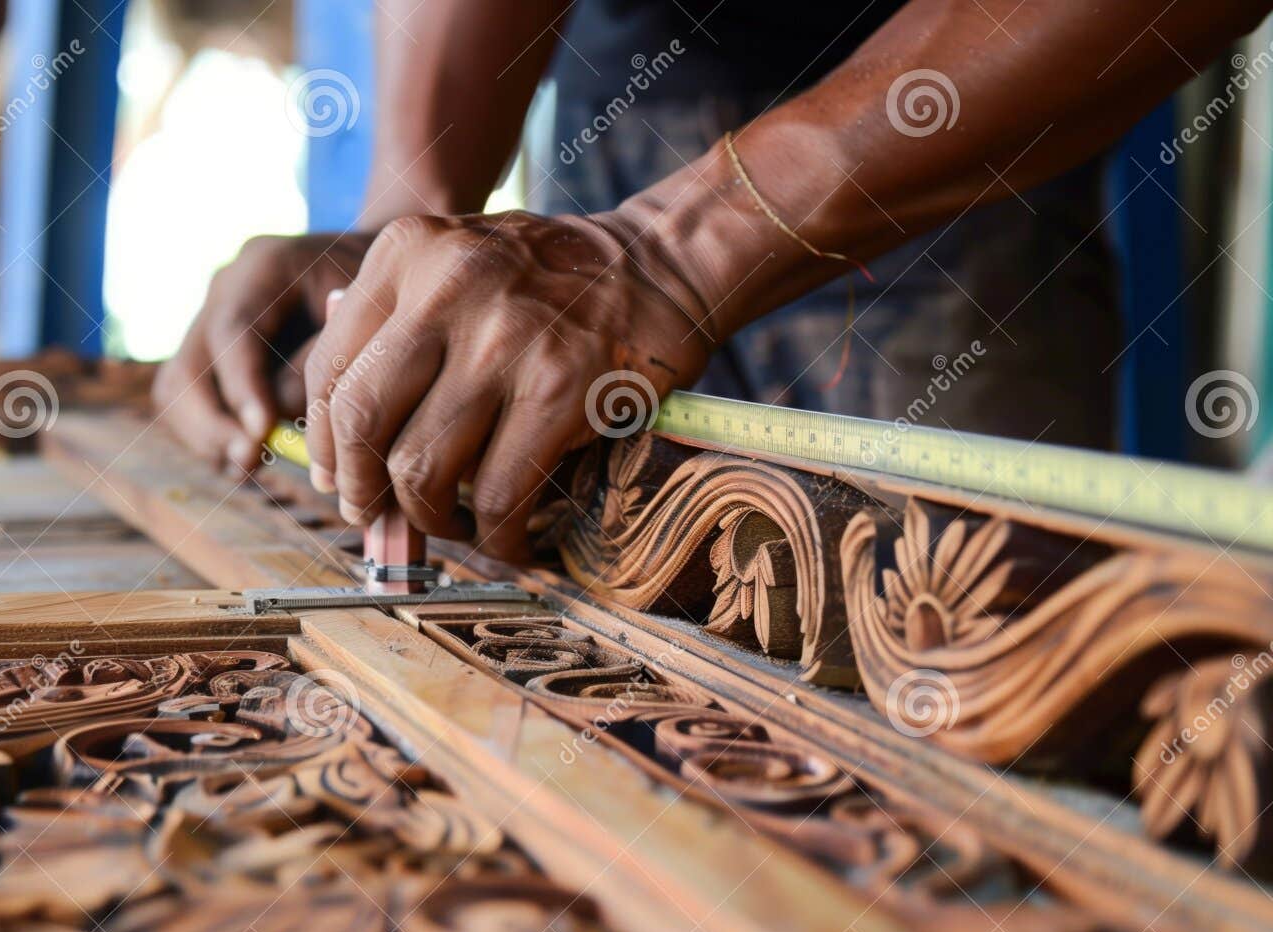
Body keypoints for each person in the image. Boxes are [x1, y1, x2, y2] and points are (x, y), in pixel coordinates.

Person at [154, 0, 1270, 561]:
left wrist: (678, 249)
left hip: (945, 132)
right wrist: (406, 209)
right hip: (624, 118)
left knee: (955, 708)